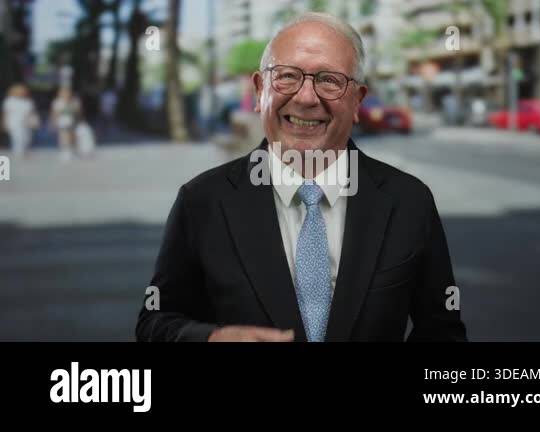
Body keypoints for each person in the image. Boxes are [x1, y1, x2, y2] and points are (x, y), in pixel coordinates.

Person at [136, 12, 467, 342]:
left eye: (329, 80)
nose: (306, 98)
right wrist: (210, 339)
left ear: (357, 102)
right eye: (287, 76)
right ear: (259, 89)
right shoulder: (201, 202)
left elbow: (443, 330)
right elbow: (155, 322)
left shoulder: (409, 202)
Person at [1, 84, 39, 158]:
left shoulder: (28, 102)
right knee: (17, 138)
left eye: (23, 92)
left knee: (27, 138)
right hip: (13, 123)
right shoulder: (9, 101)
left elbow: (32, 113)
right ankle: (18, 153)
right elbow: (5, 113)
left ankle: (24, 151)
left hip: (26, 123)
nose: (21, 93)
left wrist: (35, 121)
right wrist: (3, 123)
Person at [50, 88, 82, 161]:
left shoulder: (74, 101)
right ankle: (65, 151)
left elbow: (78, 112)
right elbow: (54, 113)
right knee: (63, 137)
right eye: (63, 94)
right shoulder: (57, 102)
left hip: (72, 122)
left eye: (67, 94)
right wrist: (53, 122)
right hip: (62, 122)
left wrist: (75, 110)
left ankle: (72, 150)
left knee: (72, 137)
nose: (65, 95)